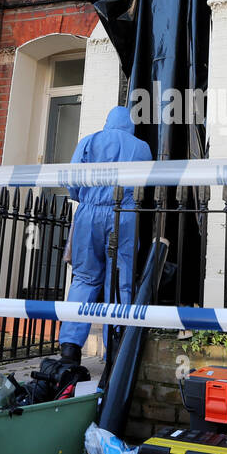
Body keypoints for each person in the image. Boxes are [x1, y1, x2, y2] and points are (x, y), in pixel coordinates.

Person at [60, 105, 152, 365]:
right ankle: (117, 346)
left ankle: (70, 347)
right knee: (121, 277)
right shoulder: (141, 147)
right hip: (125, 213)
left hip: (89, 212)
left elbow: (72, 179)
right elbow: (146, 181)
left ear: (107, 122)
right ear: (130, 125)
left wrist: (84, 198)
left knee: (84, 278)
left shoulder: (89, 141)